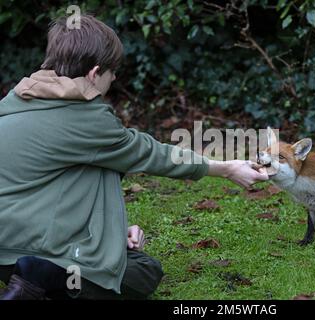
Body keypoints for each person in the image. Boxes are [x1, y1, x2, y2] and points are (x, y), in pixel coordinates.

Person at [0, 14, 268, 300]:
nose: (115, 78)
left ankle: (35, 278)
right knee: (144, 271)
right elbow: (149, 154)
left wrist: (112, 232)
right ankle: (42, 276)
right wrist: (226, 168)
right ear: (94, 73)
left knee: (101, 167)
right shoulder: (85, 119)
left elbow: (48, 187)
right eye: (112, 71)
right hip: (41, 253)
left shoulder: (14, 103)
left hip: (5, 254)